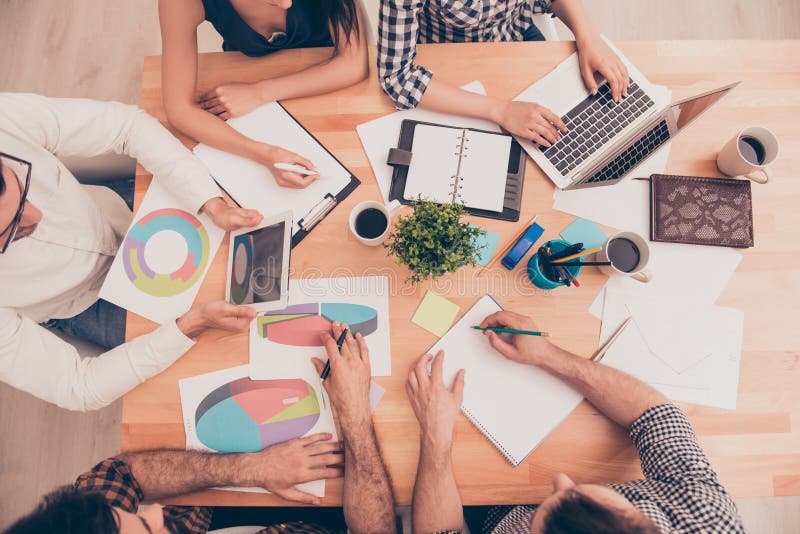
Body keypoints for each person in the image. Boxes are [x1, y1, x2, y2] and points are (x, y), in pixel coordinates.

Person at [0, 92, 265, 412]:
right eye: (13, 228)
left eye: (23, 188)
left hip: (119, 210)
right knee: (226, 354)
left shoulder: (4, 121)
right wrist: (191, 324)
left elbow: (127, 125)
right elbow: (79, 388)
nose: (37, 215)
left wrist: (210, 202)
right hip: (85, 303)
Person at [4, 322, 397, 534]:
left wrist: (251, 468)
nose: (155, 512)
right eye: (147, 528)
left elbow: (122, 474)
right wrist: (354, 413)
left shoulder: (87, 523)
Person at [406, 310, 744, 533]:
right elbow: (656, 416)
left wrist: (435, 434)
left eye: (538, 521)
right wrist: (548, 355)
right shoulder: (707, 517)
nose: (561, 479)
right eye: (582, 493)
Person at [159, 0, 369, 188]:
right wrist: (264, 154)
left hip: (332, 88)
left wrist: (259, 92)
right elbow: (179, 110)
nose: (286, 4)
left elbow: (353, 64)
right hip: (252, 85)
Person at [378, 0, 631, 147]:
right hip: (447, 65)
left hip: (515, 38)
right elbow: (397, 76)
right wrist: (501, 111)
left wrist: (589, 38)